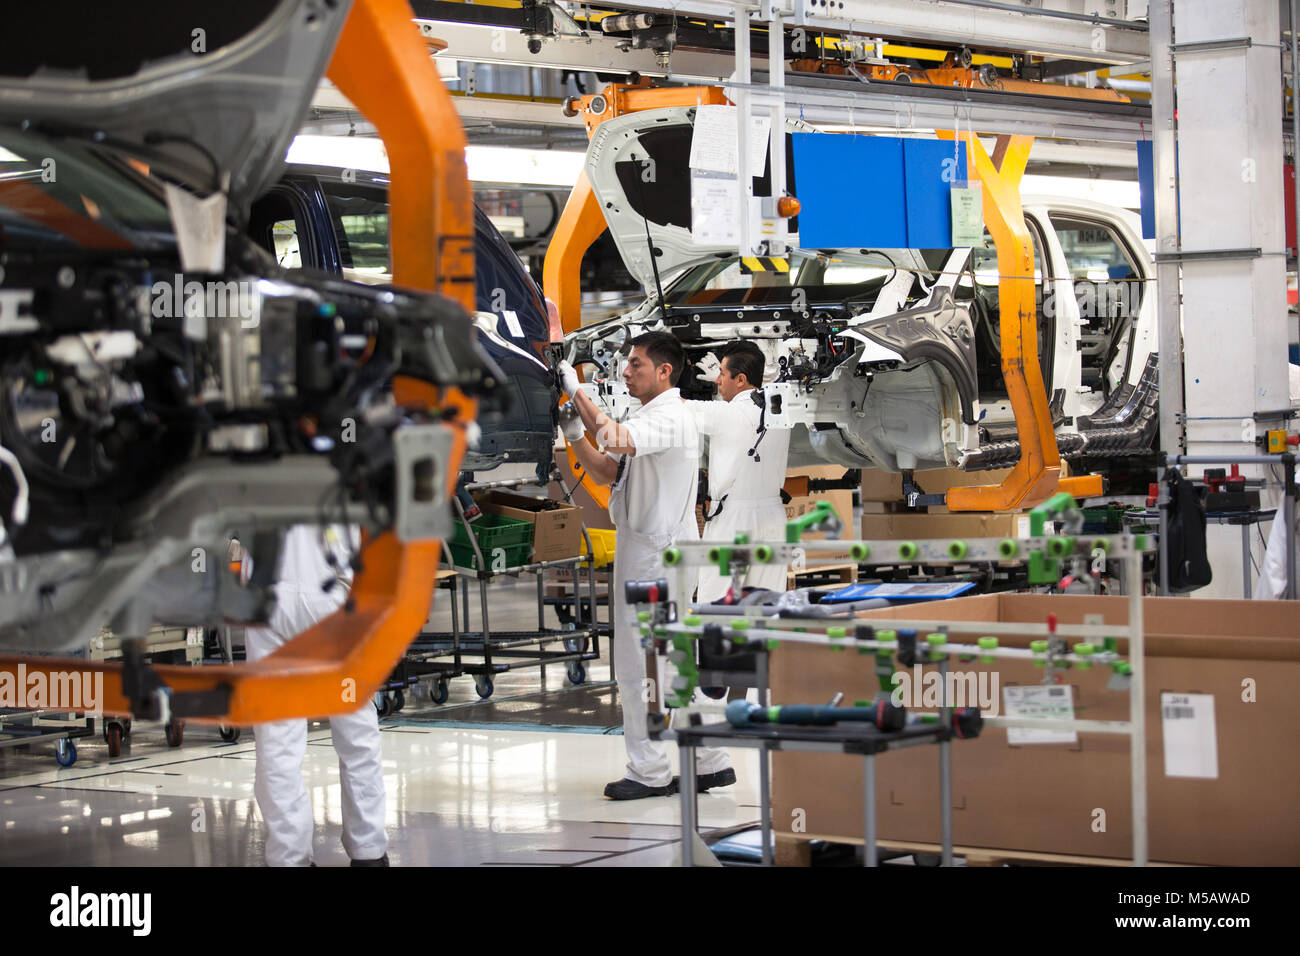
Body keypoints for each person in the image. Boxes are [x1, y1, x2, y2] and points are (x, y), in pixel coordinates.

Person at [557, 332, 734, 800]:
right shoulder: (647, 415)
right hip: (648, 548)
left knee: (640, 666)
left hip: (657, 554)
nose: (627, 371)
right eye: (626, 363)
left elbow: (614, 436)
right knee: (671, 662)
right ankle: (713, 761)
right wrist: (575, 435)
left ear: (664, 371)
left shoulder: (672, 416)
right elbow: (607, 470)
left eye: (635, 363)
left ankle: (649, 771)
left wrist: (574, 386)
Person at [242, 525, 390, 866]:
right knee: (357, 735)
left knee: (277, 741)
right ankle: (368, 851)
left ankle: (288, 857)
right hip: (329, 598)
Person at [687, 341, 791, 604]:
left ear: (741, 379)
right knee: (765, 607)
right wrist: (721, 382)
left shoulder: (725, 414)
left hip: (734, 521)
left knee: (717, 607)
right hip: (773, 520)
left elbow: (676, 407)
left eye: (723, 374)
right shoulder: (781, 412)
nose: (718, 380)